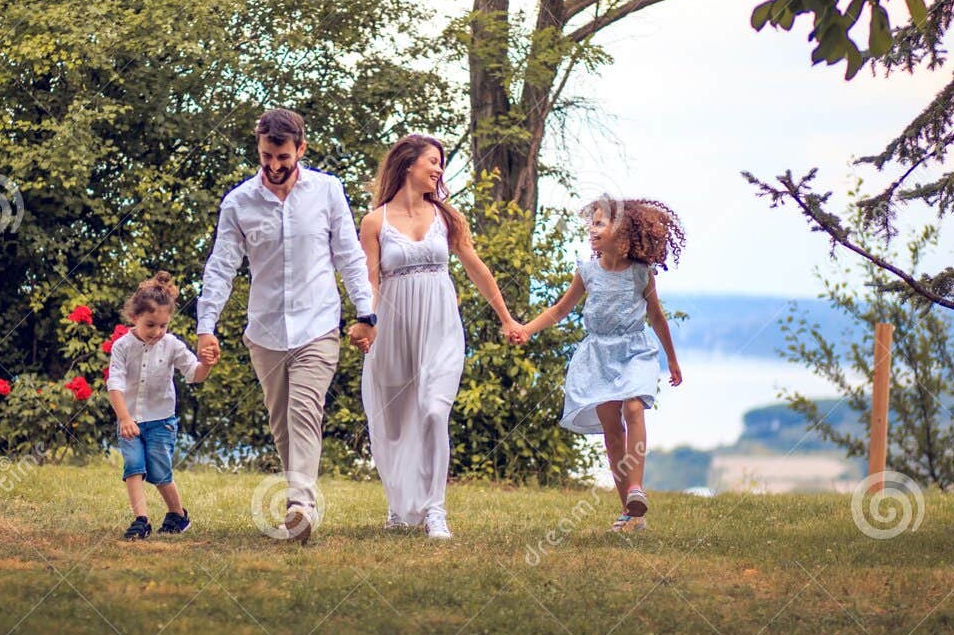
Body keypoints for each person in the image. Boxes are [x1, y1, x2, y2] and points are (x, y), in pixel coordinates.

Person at [196, 108, 377, 543]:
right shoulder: (239, 203)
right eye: (265, 157)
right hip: (266, 331)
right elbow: (221, 268)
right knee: (282, 423)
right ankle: (301, 500)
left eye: (282, 157)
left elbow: (350, 256)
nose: (274, 167)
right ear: (257, 149)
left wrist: (366, 313)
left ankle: (300, 505)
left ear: (301, 148)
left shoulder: (328, 192)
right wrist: (206, 325)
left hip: (318, 325)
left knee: (304, 412)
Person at [359, 135, 520, 539]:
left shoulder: (447, 218)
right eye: (433, 161)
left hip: (440, 326)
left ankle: (435, 511)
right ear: (408, 163)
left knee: (433, 411)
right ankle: (399, 504)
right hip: (394, 329)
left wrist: (506, 318)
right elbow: (371, 280)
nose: (438, 169)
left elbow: (477, 268)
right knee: (393, 423)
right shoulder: (374, 222)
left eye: (441, 163)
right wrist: (367, 321)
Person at [510, 196, 685, 532]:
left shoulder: (640, 274)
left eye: (600, 223)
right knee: (611, 430)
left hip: (635, 350)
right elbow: (559, 310)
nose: (592, 229)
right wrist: (527, 330)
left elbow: (657, 317)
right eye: (591, 223)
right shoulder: (587, 272)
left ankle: (636, 486)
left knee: (634, 409)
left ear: (623, 231)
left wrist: (672, 360)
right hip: (599, 356)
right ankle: (630, 511)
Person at [107, 271, 212, 540]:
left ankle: (178, 514)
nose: (157, 332)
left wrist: (207, 365)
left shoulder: (172, 345)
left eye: (163, 326)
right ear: (134, 318)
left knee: (159, 473)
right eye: (150, 325)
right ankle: (141, 520)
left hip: (161, 421)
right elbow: (115, 384)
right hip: (129, 420)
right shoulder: (122, 347)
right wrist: (124, 418)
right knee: (133, 466)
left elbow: (194, 374)